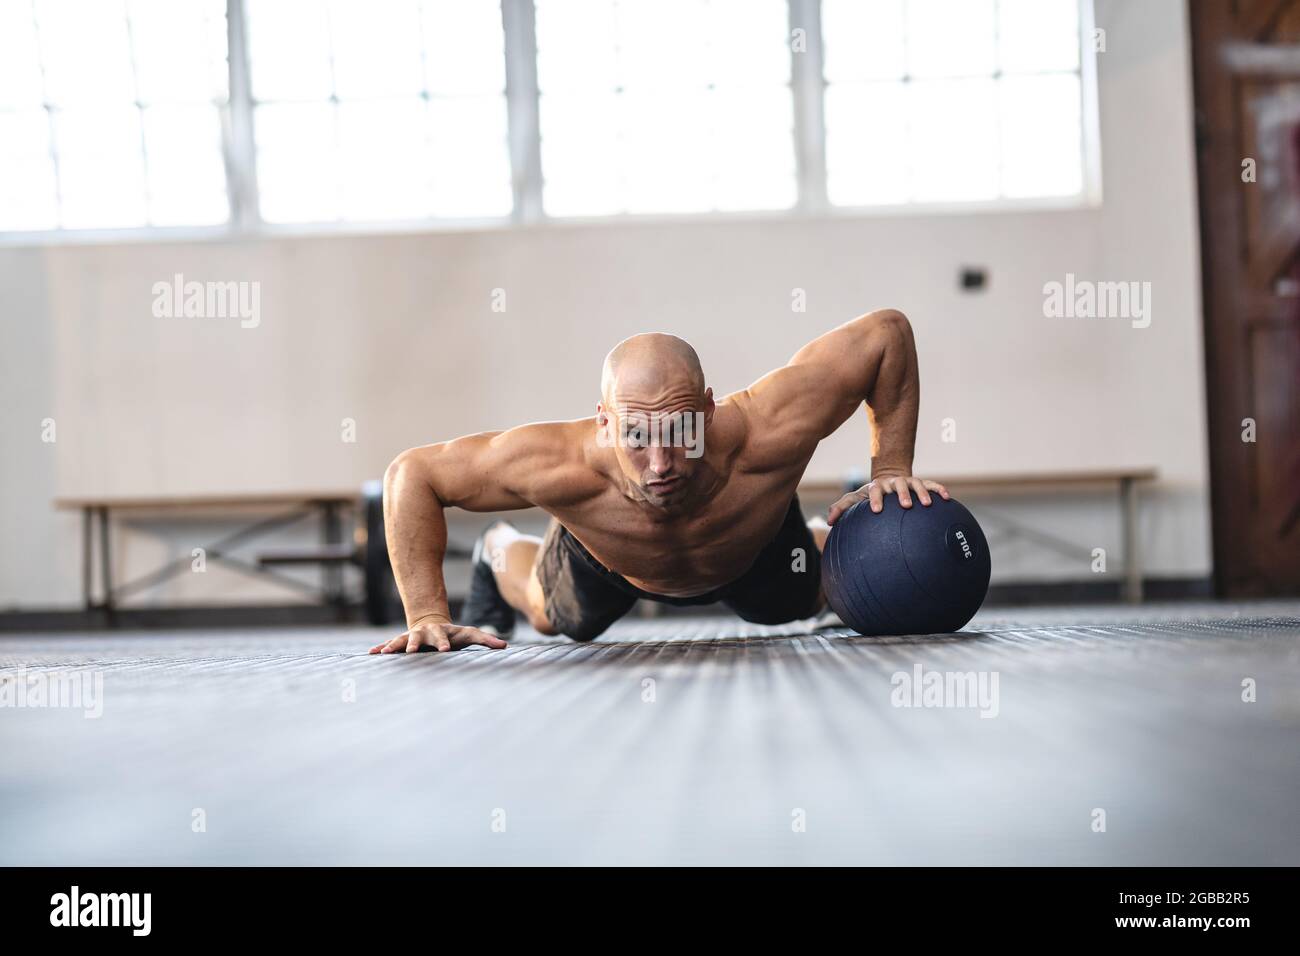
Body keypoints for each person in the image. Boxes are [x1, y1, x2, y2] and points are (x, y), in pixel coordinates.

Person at [370, 309, 948, 653]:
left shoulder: (770, 427)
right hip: (609, 559)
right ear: (604, 423)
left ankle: (826, 536)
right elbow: (412, 474)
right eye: (636, 438)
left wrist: (890, 471)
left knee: (820, 591)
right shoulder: (557, 463)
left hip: (756, 546)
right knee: (553, 617)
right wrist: (426, 614)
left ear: (708, 407)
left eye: (681, 432)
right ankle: (498, 552)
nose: (661, 465)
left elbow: (886, 334)